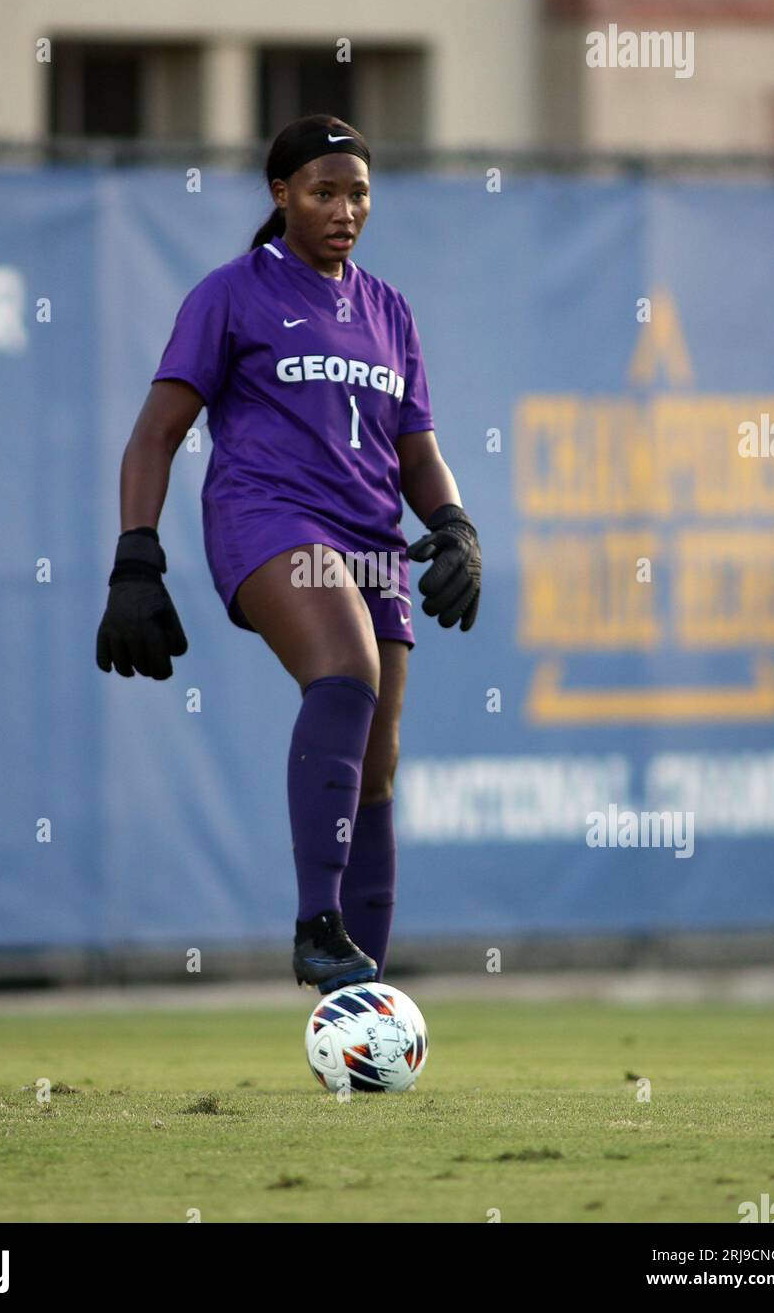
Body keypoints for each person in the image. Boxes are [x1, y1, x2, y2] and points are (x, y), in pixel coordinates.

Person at [97, 113, 481, 994]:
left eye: (358, 192)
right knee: (346, 673)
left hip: (372, 534)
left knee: (377, 762)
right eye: (323, 191)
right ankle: (317, 924)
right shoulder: (231, 294)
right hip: (269, 517)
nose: (344, 208)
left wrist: (456, 524)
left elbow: (416, 452)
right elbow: (156, 433)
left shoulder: (389, 309)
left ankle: (359, 1003)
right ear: (281, 195)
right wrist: (135, 559)